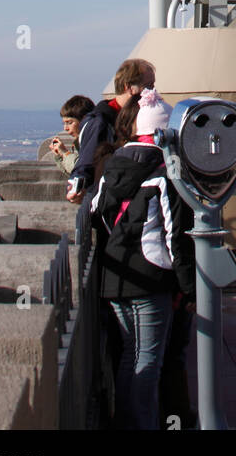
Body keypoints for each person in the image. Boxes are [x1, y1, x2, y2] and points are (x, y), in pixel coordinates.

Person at [91, 87, 194, 430]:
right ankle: (142, 425)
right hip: (152, 276)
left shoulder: (112, 165)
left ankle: (126, 423)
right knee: (149, 362)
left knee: (130, 357)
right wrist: (188, 288)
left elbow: (98, 212)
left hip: (114, 274)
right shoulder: (166, 172)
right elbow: (175, 236)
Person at [67, 58, 156, 203]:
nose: (152, 92)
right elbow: (87, 161)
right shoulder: (100, 122)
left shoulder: (136, 117)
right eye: (148, 86)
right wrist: (77, 187)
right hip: (106, 202)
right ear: (129, 87)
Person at [48, 95, 95, 173]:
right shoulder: (80, 143)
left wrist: (65, 153)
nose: (65, 128)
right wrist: (60, 156)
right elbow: (75, 175)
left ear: (83, 120)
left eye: (69, 123)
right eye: (64, 123)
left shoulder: (93, 142)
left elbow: (80, 168)